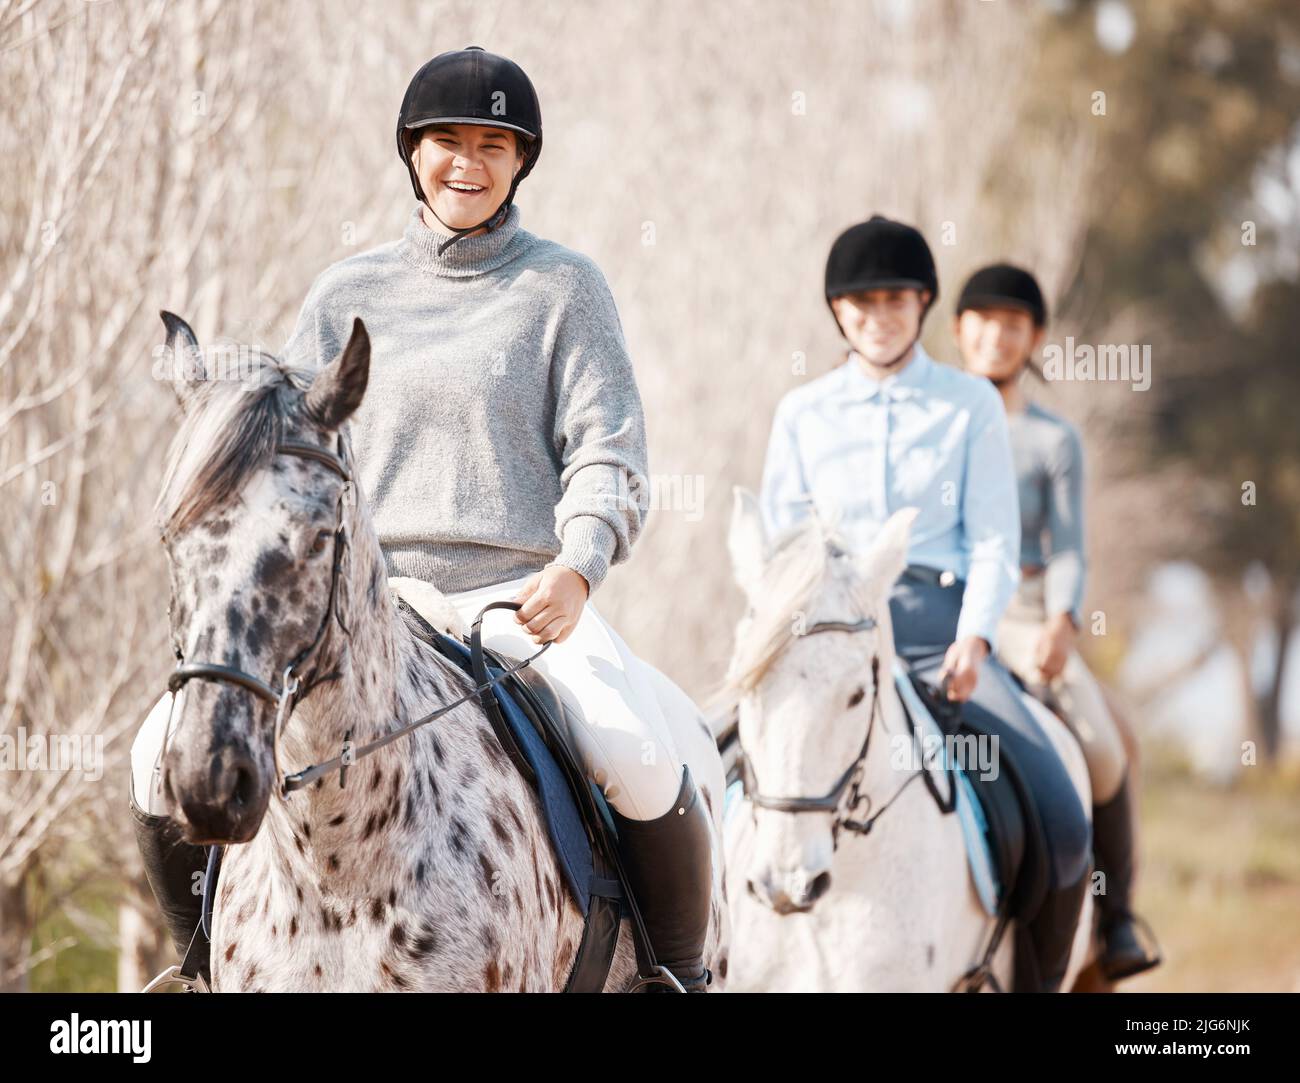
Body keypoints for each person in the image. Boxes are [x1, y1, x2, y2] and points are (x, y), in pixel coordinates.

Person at [130, 46, 713, 992]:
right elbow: (284, 453)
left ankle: (676, 975)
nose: (469, 162)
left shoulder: (565, 289)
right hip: (369, 604)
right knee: (155, 750)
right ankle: (197, 965)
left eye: (494, 142)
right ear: (413, 152)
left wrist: (580, 561)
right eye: (448, 140)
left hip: (520, 602)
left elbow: (609, 447)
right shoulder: (344, 293)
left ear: (522, 160)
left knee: (638, 753)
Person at [759, 215, 1092, 992]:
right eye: (862, 302)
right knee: (719, 777)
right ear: (838, 312)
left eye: (897, 300)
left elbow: (994, 543)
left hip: (938, 634)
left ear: (924, 304)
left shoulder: (969, 404)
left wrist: (976, 638)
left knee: (1065, 819)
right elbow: (782, 546)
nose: (880, 316)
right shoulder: (802, 413)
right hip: (829, 639)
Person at [953, 263, 1161, 981]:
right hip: (945, 613)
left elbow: (1069, 546)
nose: (996, 335)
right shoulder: (934, 422)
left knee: (1106, 746)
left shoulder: (1053, 441)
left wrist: (1063, 623)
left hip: (1028, 615)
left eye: (1013, 324)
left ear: (1035, 336)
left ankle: (1117, 916)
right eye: (982, 319)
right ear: (958, 329)